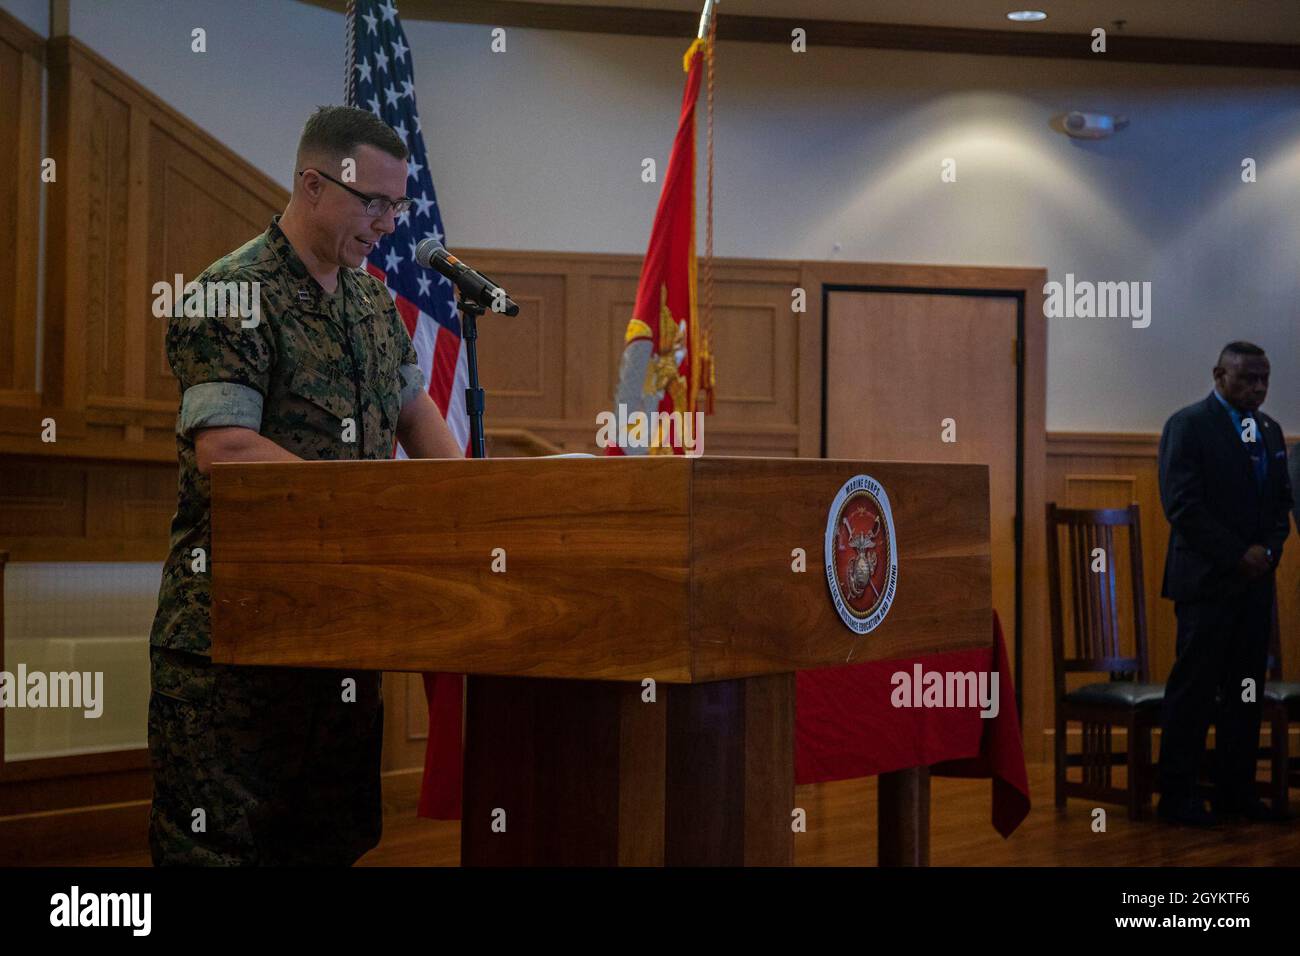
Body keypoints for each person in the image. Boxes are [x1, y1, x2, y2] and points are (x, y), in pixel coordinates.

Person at [148, 106, 462, 864]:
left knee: (331, 842)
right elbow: (224, 449)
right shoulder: (231, 292)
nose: (388, 222)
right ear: (313, 185)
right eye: (373, 202)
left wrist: (477, 505)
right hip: (234, 640)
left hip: (339, 636)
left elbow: (417, 415)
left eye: (398, 204)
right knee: (220, 851)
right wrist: (365, 507)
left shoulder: (370, 302)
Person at [1156, 341, 1292, 826]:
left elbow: (1280, 508)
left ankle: (1236, 791)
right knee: (1195, 690)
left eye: (1264, 379)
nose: (1257, 387)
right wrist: (1238, 555)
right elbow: (1182, 505)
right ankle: (1177, 796)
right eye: (1247, 378)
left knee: (1246, 689)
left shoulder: (1272, 432)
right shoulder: (1188, 425)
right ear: (1219, 374)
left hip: (1255, 585)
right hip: (1207, 582)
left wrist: (1269, 552)